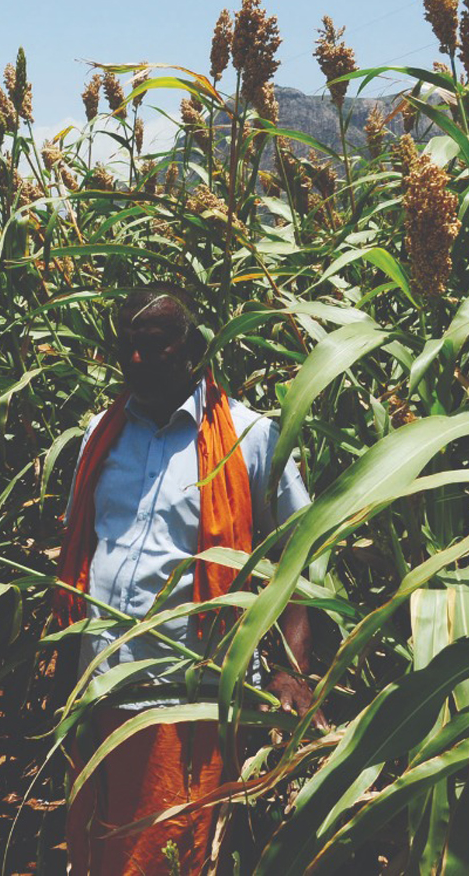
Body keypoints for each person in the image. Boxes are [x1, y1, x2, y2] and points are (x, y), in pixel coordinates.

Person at [56, 284, 322, 875]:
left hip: (189, 696)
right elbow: (82, 556)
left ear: (195, 350)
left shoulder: (250, 440)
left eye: (155, 348)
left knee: (174, 853)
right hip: (102, 690)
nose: (138, 363)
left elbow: (294, 565)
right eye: (128, 348)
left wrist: (290, 673)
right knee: (101, 849)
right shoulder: (102, 435)